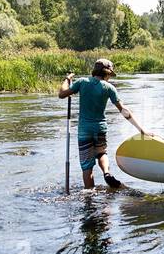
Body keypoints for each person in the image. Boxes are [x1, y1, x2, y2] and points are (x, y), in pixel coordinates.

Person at [58, 58, 144, 189]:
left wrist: (67, 79)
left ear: (95, 71)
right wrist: (141, 130)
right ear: (107, 73)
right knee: (102, 153)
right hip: (100, 128)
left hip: (84, 130)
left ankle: (89, 195)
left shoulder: (82, 82)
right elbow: (124, 110)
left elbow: (62, 94)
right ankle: (107, 173)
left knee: (87, 166)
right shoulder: (109, 87)